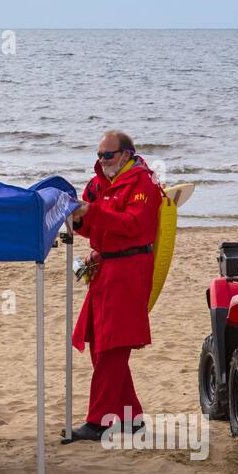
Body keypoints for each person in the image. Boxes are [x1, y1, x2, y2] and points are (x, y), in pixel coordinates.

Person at [67, 130, 161, 441]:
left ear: (125, 153)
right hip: (103, 266)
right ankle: (131, 417)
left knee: (113, 348)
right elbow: (93, 225)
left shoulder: (143, 183)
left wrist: (91, 212)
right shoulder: (98, 182)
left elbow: (133, 224)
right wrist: (78, 219)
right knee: (99, 342)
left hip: (130, 268)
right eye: (99, 155)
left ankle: (98, 421)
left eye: (107, 155)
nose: (102, 160)